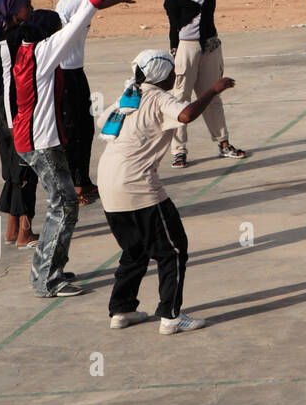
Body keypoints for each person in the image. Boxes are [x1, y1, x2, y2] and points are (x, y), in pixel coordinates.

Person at [2, 0, 129, 297]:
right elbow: (80, 19)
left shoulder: (26, 50)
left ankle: (50, 267)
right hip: (40, 143)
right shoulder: (42, 52)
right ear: (47, 33)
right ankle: (46, 279)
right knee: (64, 206)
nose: (62, 31)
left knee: (63, 205)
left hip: (37, 140)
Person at [97, 49, 234, 334]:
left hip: (108, 183)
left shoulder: (128, 95)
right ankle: (171, 316)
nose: (175, 76)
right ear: (161, 75)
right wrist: (212, 90)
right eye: (172, 71)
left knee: (134, 250)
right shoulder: (160, 97)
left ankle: (121, 310)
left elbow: (103, 122)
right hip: (137, 186)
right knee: (173, 249)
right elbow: (185, 115)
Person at [55, 0, 139, 204]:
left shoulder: (79, 0)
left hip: (76, 73)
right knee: (71, 131)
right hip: (64, 75)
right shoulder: (68, 2)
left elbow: (96, 3)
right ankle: (71, 188)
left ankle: (83, 181)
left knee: (84, 129)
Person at [164, 0, 247, 168]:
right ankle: (178, 151)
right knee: (180, 100)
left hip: (210, 48)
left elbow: (208, 21)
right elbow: (174, 29)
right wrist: (175, 55)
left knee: (212, 96)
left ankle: (223, 143)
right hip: (186, 49)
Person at [0, 0, 38, 249]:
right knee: (26, 171)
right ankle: (24, 234)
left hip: (0, 112)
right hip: (15, 112)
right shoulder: (22, 36)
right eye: (26, 4)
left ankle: (12, 229)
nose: (30, 9)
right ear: (14, 8)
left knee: (12, 172)